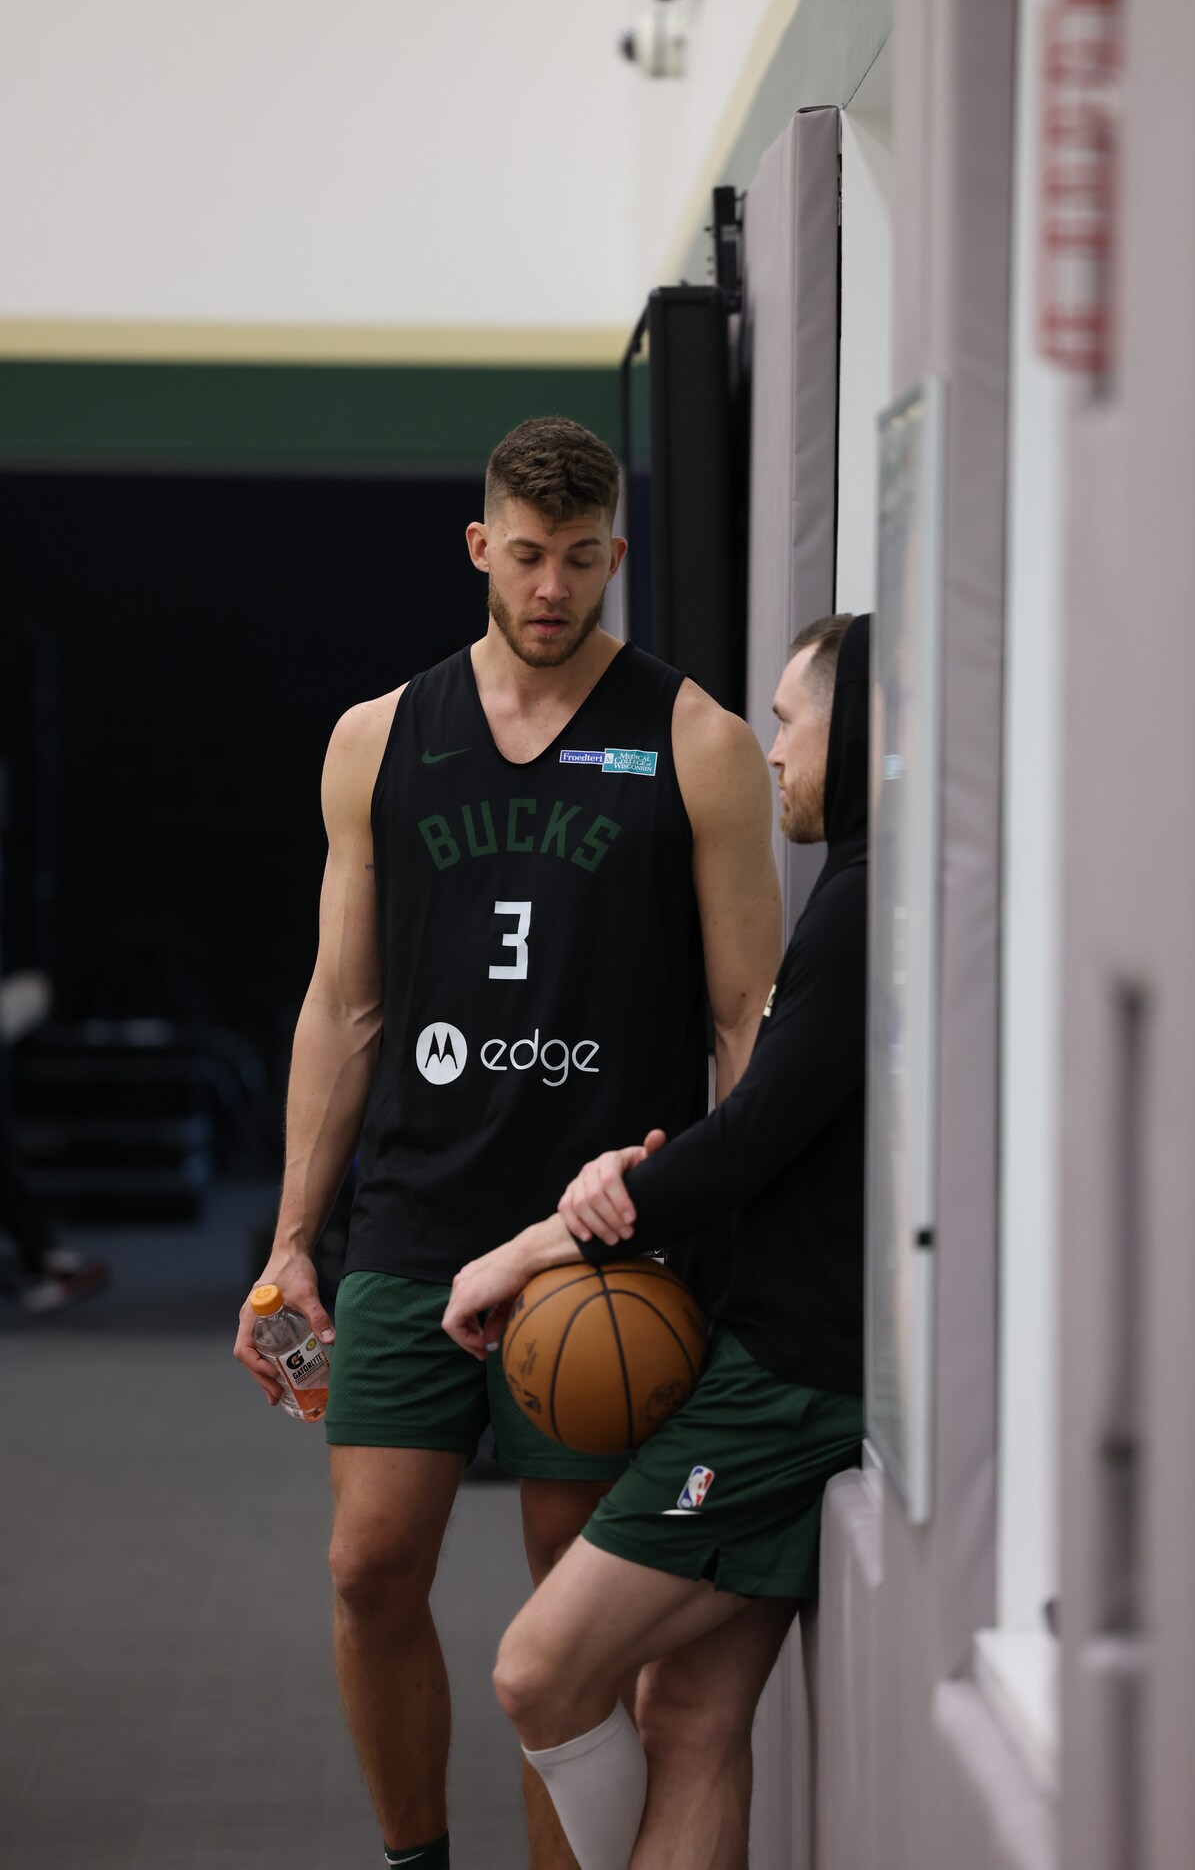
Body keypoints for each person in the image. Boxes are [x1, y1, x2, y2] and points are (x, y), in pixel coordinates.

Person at [232, 416, 782, 1870]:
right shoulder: (381, 736)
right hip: (414, 1220)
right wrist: (294, 1237)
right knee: (368, 1564)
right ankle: (419, 1855)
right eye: (527, 556)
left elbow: (746, 1022)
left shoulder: (699, 740)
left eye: (582, 558)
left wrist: (741, 1241)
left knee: (564, 1609)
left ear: (617, 553)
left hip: (602, 1245)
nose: (552, 588)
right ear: (481, 546)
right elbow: (343, 1006)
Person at [443, 612, 869, 1870]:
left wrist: (533, 1246)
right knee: (685, 1714)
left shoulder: (862, 900)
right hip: (798, 1357)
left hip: (787, 1389)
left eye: (791, 720)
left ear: (866, 723)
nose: (775, 752)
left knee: (535, 1670)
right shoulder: (862, 886)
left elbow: (745, 1146)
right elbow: (769, 1130)